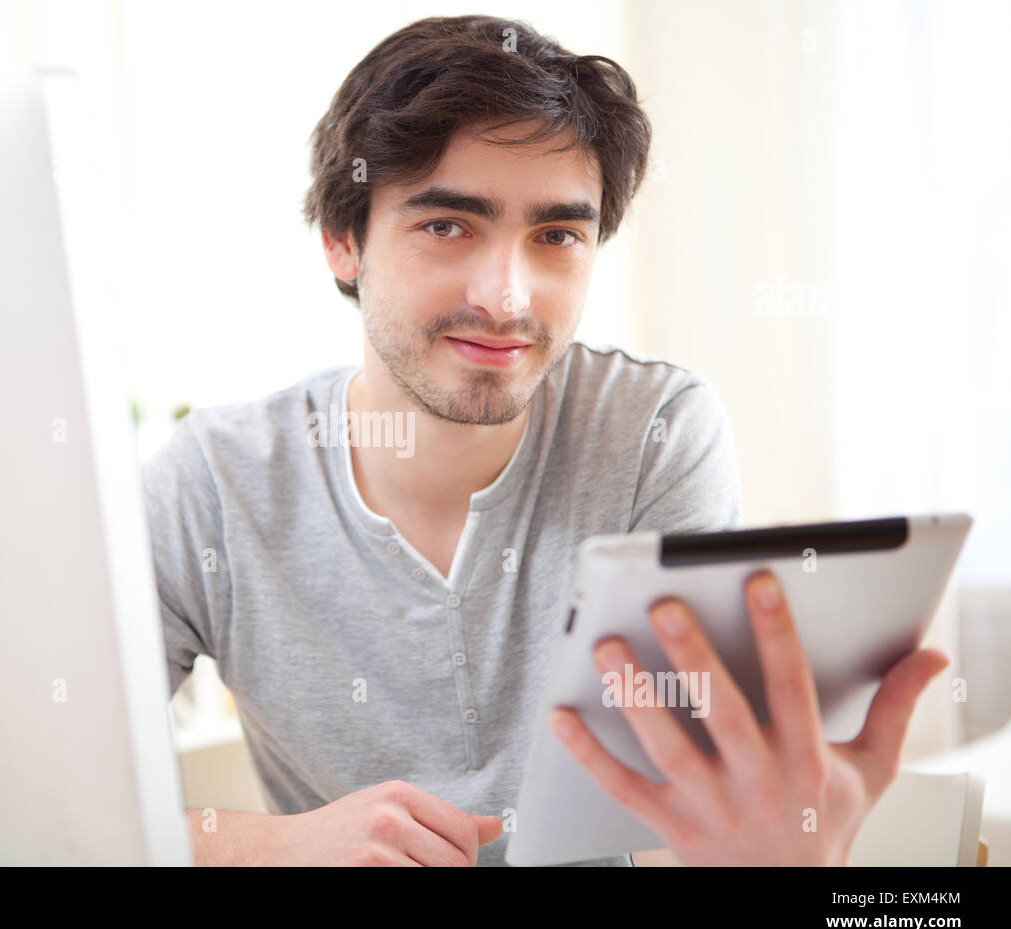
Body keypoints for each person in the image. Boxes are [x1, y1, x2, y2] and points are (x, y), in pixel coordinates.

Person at [142, 14, 948, 866]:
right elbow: (57, 803)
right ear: (344, 242)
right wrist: (274, 848)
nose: (507, 297)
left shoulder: (655, 435)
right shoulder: (214, 484)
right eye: (448, 225)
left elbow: (692, 806)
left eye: (557, 236)